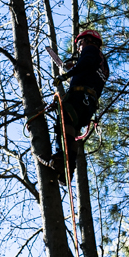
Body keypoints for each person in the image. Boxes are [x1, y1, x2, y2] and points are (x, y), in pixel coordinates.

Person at [49, 29, 109, 184]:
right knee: (72, 130)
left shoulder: (90, 50)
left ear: (87, 41)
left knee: (63, 122)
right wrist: (73, 72)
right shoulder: (103, 64)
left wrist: (66, 75)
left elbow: (85, 63)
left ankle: (61, 158)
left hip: (80, 97)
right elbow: (88, 73)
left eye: (79, 45)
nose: (79, 49)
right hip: (89, 105)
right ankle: (68, 169)